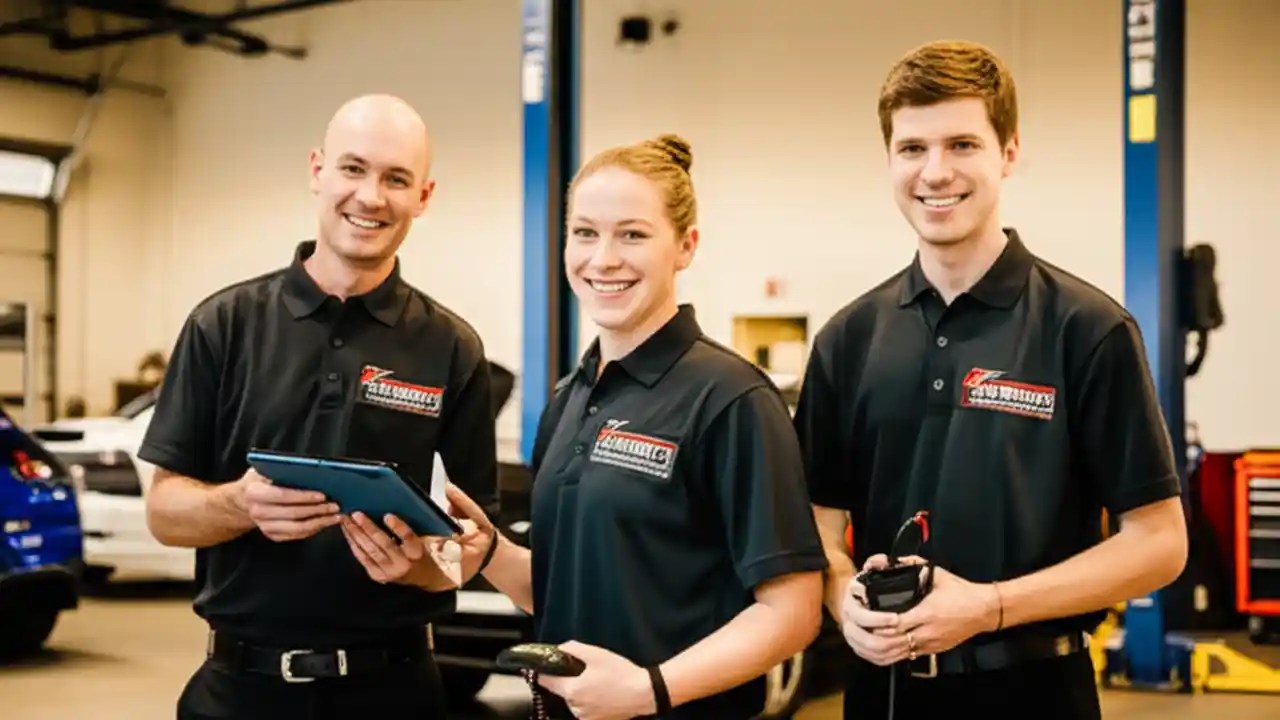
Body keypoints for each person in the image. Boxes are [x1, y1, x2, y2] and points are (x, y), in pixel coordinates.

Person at [794, 40, 1189, 719]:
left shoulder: (1087, 329)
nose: (935, 172)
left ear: (1008, 153)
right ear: (889, 159)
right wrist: (842, 602)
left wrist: (990, 607)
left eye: (962, 145)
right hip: (884, 694)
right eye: (912, 148)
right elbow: (816, 527)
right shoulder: (847, 339)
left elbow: (1160, 544)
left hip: (1037, 692)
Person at [139, 94, 498, 720]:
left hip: (395, 692)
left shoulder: (451, 347)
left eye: (396, 179)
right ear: (317, 170)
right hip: (239, 691)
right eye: (353, 168)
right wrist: (239, 504)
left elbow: (469, 550)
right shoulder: (223, 325)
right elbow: (165, 513)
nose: (371, 196)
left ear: (424, 196)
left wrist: (418, 568)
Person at [446, 133, 827, 719]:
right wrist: (490, 552)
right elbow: (559, 588)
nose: (603, 259)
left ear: (686, 246)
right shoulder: (568, 398)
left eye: (633, 234)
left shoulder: (731, 398)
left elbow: (794, 611)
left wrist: (651, 688)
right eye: (585, 233)